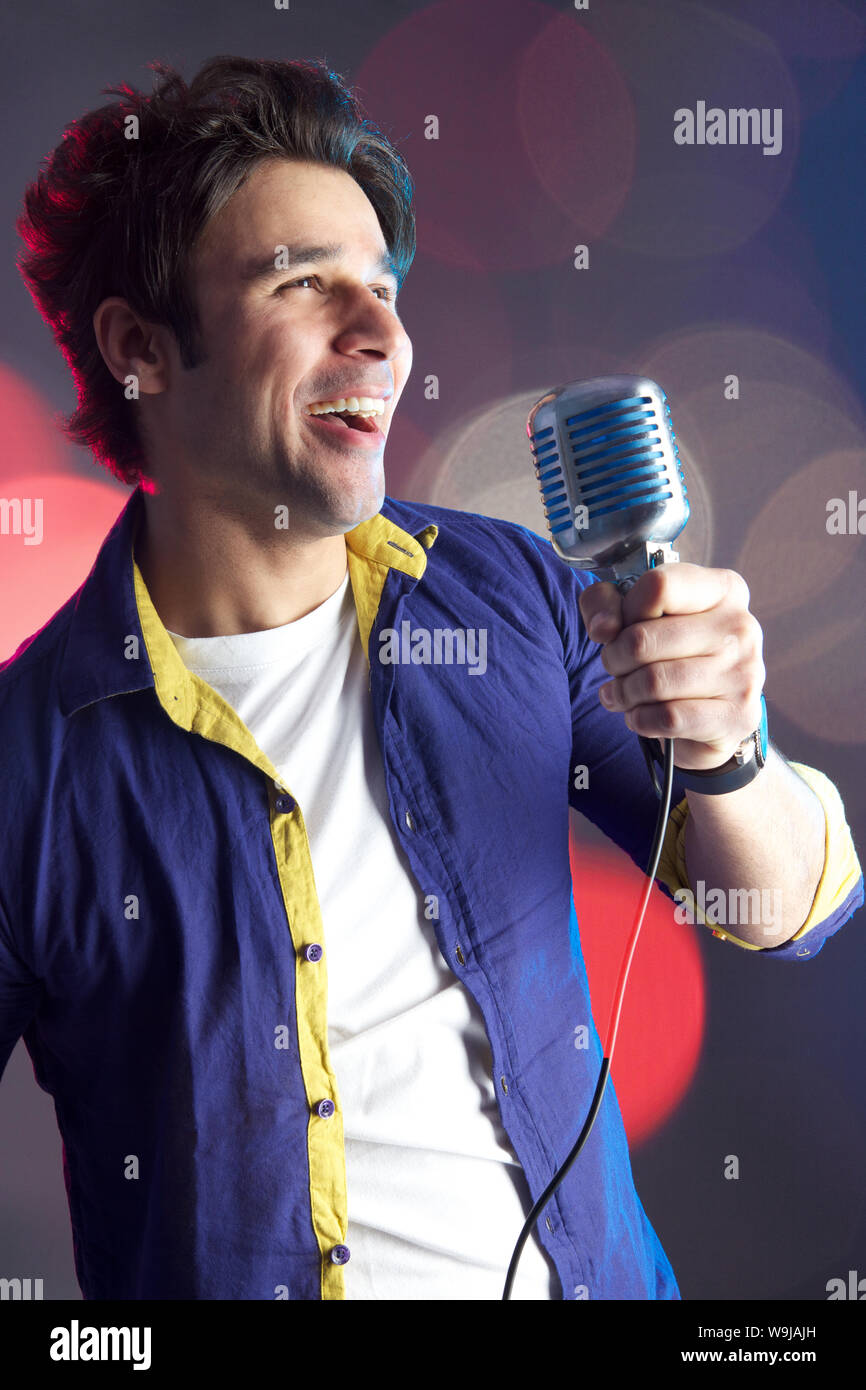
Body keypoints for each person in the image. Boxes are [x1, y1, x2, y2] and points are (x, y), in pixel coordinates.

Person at [2, 55, 861, 1302]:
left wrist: (730, 752)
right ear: (139, 347)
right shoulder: (31, 764)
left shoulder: (512, 594)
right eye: (305, 283)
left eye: (383, 287)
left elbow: (781, 912)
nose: (382, 337)